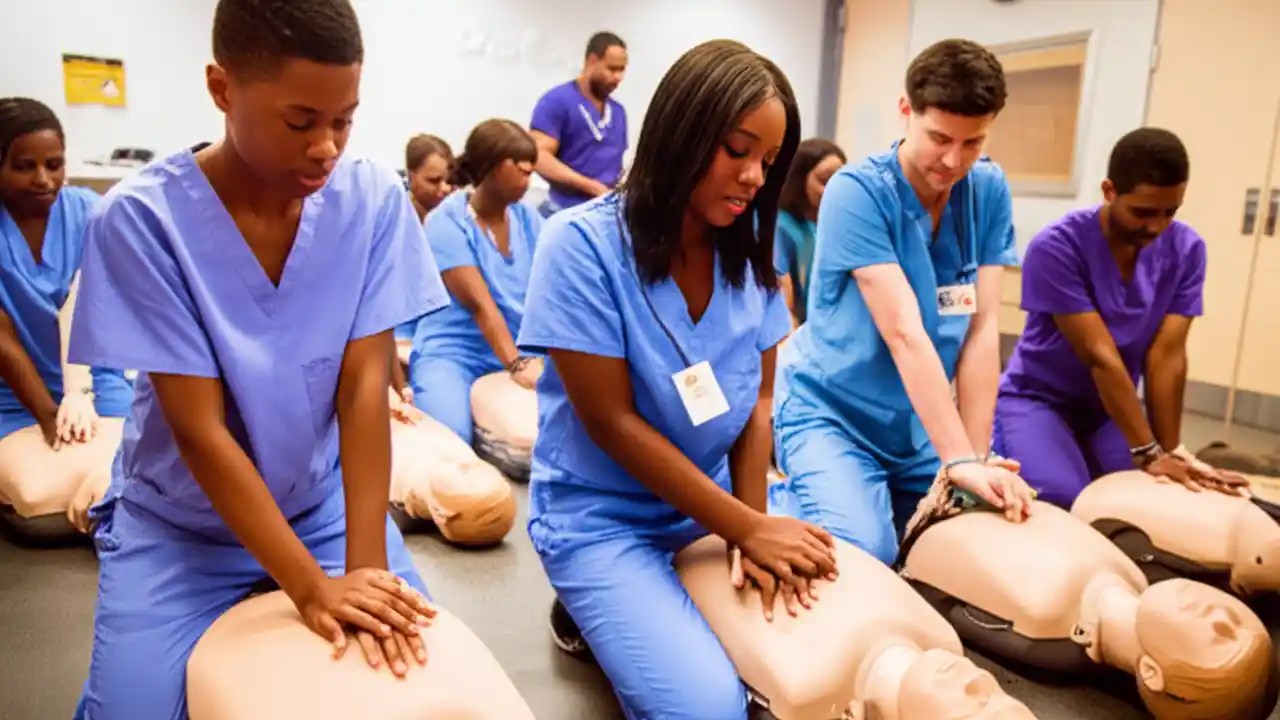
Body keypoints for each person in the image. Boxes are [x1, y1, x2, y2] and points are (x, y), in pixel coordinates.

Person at [67, 1, 448, 716]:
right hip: (181, 528)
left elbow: (364, 388)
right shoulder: (143, 220)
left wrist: (360, 568)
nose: (327, 149)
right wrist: (310, 589)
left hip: (321, 510)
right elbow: (199, 432)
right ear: (222, 89)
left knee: (411, 679)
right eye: (301, 122)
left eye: (344, 120)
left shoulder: (370, 202)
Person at [518, 40, 837, 720]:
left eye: (769, 161)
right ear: (681, 132)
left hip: (712, 500)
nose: (754, 176)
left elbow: (757, 402)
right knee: (705, 710)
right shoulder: (580, 245)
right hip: (602, 516)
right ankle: (586, 606)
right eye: (736, 149)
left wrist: (749, 528)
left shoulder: (750, 254)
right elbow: (611, 423)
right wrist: (744, 527)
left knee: (831, 586)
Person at [771, 39, 1035, 568]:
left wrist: (975, 461)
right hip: (831, 413)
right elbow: (904, 332)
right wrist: (956, 457)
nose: (953, 160)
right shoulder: (857, 192)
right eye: (939, 138)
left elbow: (982, 332)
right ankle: (769, 503)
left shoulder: (986, 189)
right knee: (866, 553)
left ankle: (883, 495)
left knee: (982, 524)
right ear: (905, 111)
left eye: (972, 142)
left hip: (914, 425)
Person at [994, 128, 1247, 507]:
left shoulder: (1187, 249)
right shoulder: (1057, 246)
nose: (1157, 226)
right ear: (1109, 191)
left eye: (1170, 212)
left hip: (1108, 409)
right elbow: (1100, 355)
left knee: (1145, 496)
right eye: (1143, 212)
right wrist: (1147, 450)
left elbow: (1167, 356)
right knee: (1065, 497)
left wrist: (1170, 451)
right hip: (1038, 400)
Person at [0, 98, 133, 524]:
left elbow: (93, 301)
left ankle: (107, 491)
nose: (44, 179)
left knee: (162, 455)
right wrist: (52, 419)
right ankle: (112, 491)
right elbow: (3, 342)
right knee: (35, 491)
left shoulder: (85, 211)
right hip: (13, 398)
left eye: (54, 164)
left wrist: (81, 393)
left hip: (94, 379)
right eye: (24, 166)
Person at [408, 118, 541, 443]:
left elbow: (554, 293)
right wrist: (518, 363)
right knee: (450, 439)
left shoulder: (529, 220)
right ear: (491, 168)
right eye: (520, 168)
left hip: (520, 348)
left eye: (531, 168)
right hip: (455, 354)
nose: (529, 175)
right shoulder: (447, 222)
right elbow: (481, 306)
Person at [529, 31, 628, 217]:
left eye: (622, 70)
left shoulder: (618, 112)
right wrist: (590, 186)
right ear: (591, 61)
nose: (617, 77)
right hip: (563, 211)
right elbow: (539, 157)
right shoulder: (557, 102)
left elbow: (615, 165)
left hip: (604, 212)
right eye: (611, 69)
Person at [392, 133, 455, 404]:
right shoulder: (394, 219)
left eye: (449, 181)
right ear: (411, 174)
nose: (444, 189)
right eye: (433, 181)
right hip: (398, 324)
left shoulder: (454, 221)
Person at [775, 138, 846, 327]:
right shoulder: (780, 227)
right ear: (799, 178)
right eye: (825, 180)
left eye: (840, 181)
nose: (833, 189)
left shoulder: (815, 228)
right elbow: (781, 298)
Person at [404, 133, 454, 223]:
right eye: (434, 181)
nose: (446, 188)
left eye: (449, 180)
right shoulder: (398, 218)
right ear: (411, 176)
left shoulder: (462, 214)